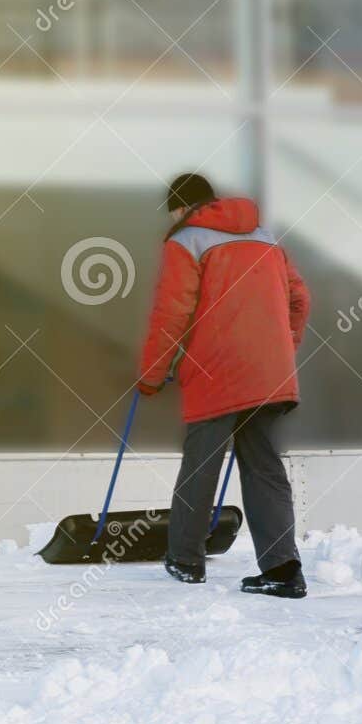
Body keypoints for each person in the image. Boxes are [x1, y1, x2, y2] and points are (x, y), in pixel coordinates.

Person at [136, 173, 311, 596]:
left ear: (181, 207)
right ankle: (283, 570)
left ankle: (186, 560)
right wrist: (280, 349)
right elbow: (299, 299)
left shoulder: (186, 240)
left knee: (201, 464)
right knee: (265, 467)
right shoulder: (266, 238)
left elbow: (172, 313)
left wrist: (152, 374)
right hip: (270, 374)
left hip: (216, 369)